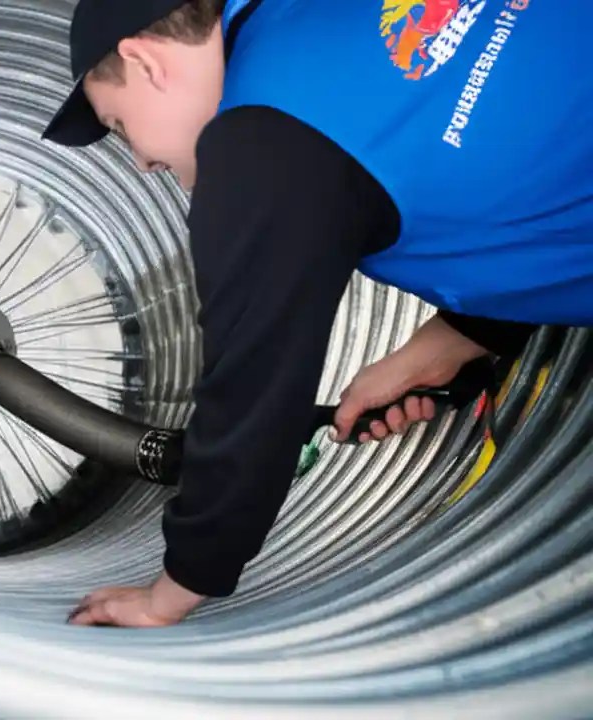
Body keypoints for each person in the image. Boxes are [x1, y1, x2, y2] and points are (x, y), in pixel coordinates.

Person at [43, 0, 593, 627]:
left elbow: (253, 389)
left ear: (145, 62)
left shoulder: (260, 147)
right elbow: (511, 136)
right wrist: (456, 339)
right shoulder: (299, 21)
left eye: (119, 124)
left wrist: (175, 590)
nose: (141, 162)